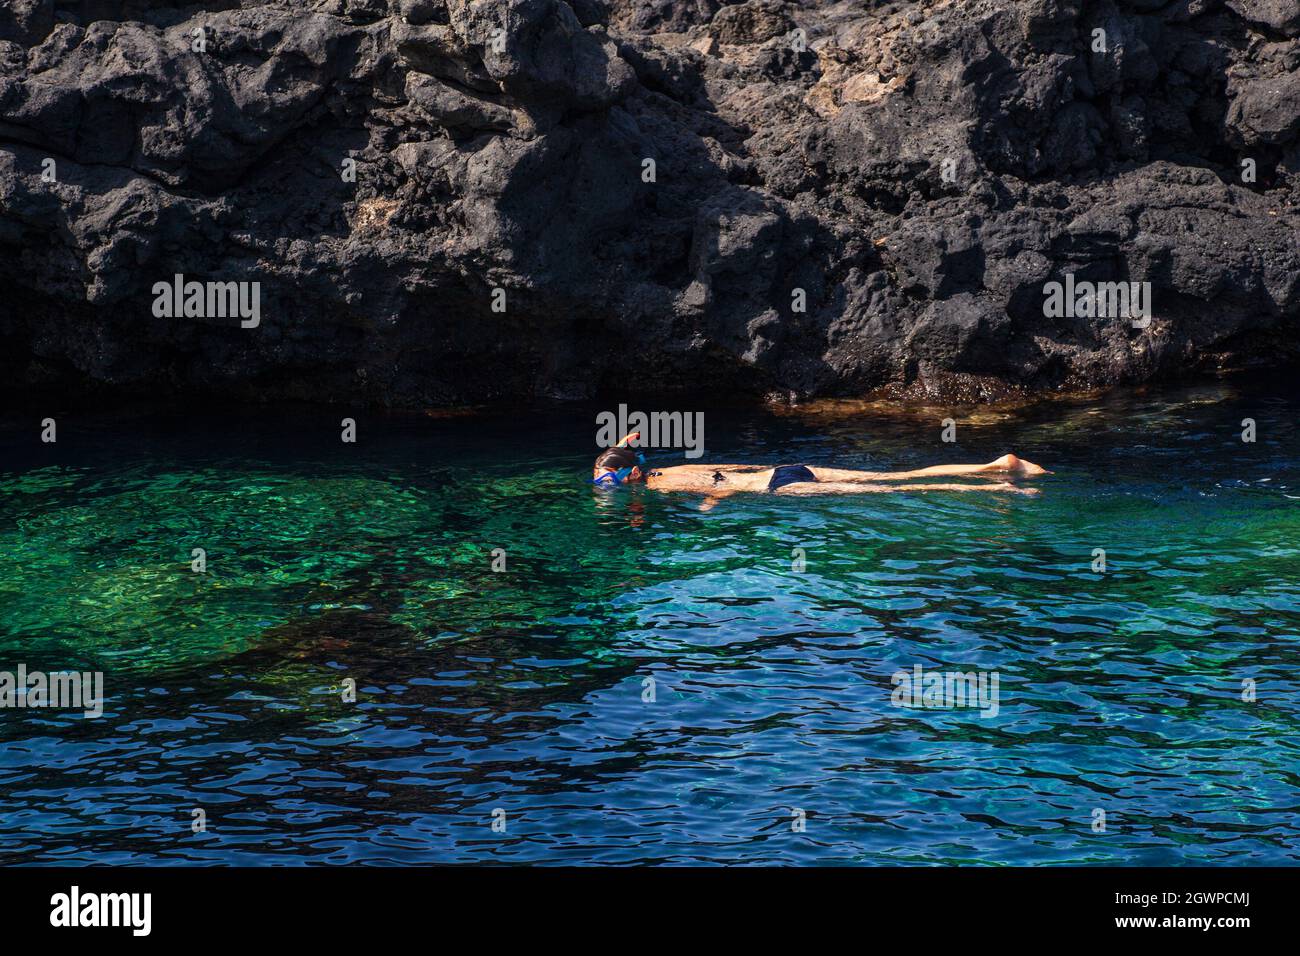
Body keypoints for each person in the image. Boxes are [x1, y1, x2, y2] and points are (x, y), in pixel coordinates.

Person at [591, 433, 1048, 508]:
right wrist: (625, 446)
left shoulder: (662, 486)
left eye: (607, 479)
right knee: (898, 477)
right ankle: (995, 466)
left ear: (629, 476)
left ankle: (1005, 492)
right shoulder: (676, 464)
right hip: (790, 467)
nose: (604, 484)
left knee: (893, 495)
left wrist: (711, 505)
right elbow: (726, 470)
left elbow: (720, 490)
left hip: (779, 490)